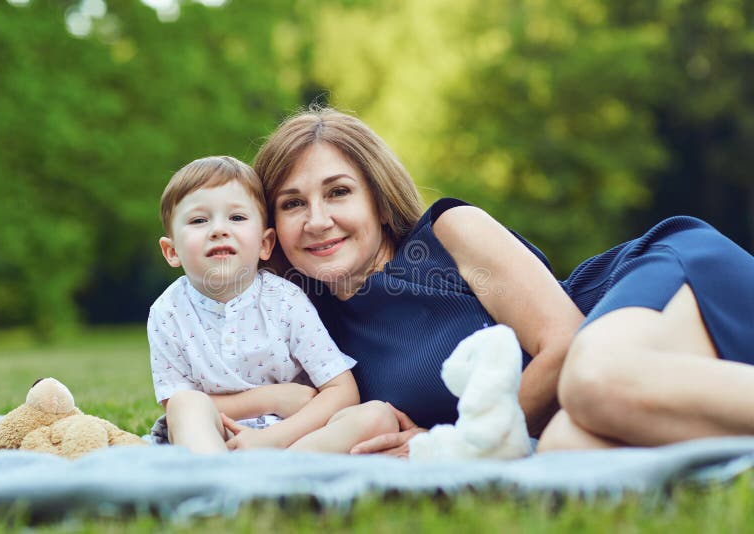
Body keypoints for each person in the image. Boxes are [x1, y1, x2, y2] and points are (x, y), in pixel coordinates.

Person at [252, 106, 754, 457]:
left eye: (338, 192)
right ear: (271, 232)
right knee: (567, 451)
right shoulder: (314, 337)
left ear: (379, 203)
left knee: (592, 378)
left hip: (659, 285)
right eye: (293, 204)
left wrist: (451, 446)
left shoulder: (448, 234)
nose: (317, 220)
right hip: (578, 411)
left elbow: (563, 341)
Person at [148, 155, 398, 454]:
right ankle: (216, 473)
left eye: (236, 218)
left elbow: (342, 391)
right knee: (186, 403)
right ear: (172, 251)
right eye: (199, 221)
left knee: (378, 417)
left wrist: (273, 438)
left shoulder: (285, 301)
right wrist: (272, 398)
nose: (218, 229)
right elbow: (173, 403)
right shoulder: (168, 312)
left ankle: (277, 467)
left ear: (265, 244)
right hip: (216, 438)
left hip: (295, 438)